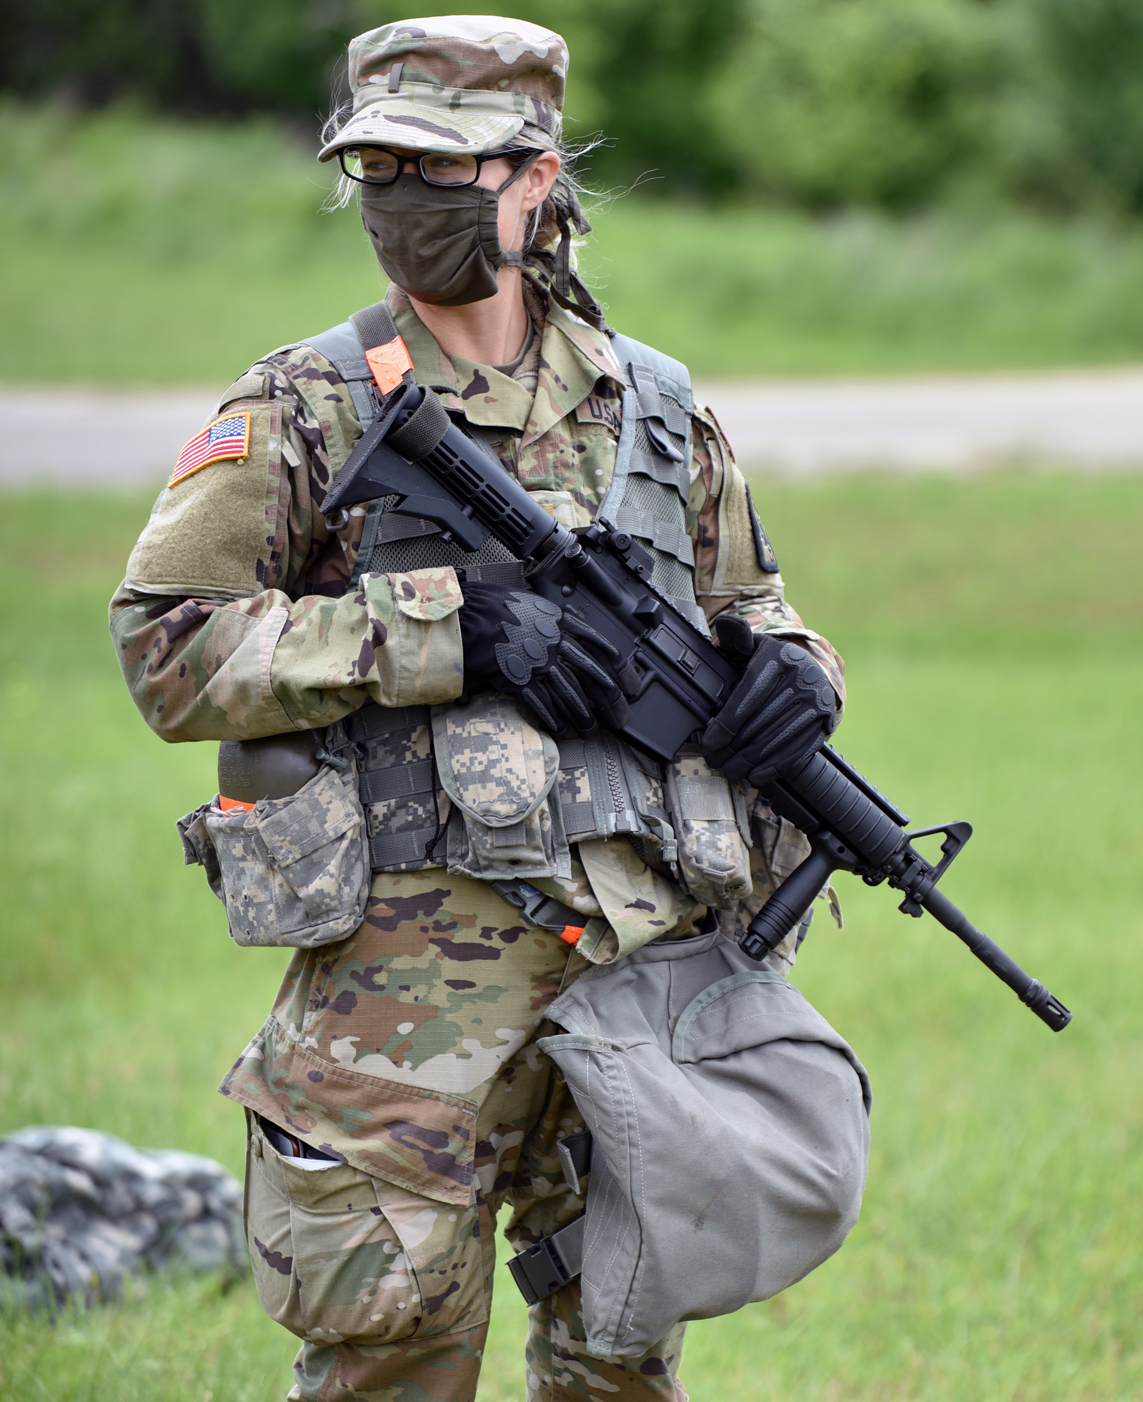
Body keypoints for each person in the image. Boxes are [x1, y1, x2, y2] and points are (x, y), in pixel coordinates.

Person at [111, 17, 844, 1399]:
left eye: (444, 170)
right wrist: (449, 630)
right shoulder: (308, 404)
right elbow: (165, 646)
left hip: (637, 991)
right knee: (387, 1372)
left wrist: (797, 671)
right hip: (401, 1023)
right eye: (379, 168)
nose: (407, 201)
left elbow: (754, 602)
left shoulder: (658, 410)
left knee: (619, 1371)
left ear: (534, 177)